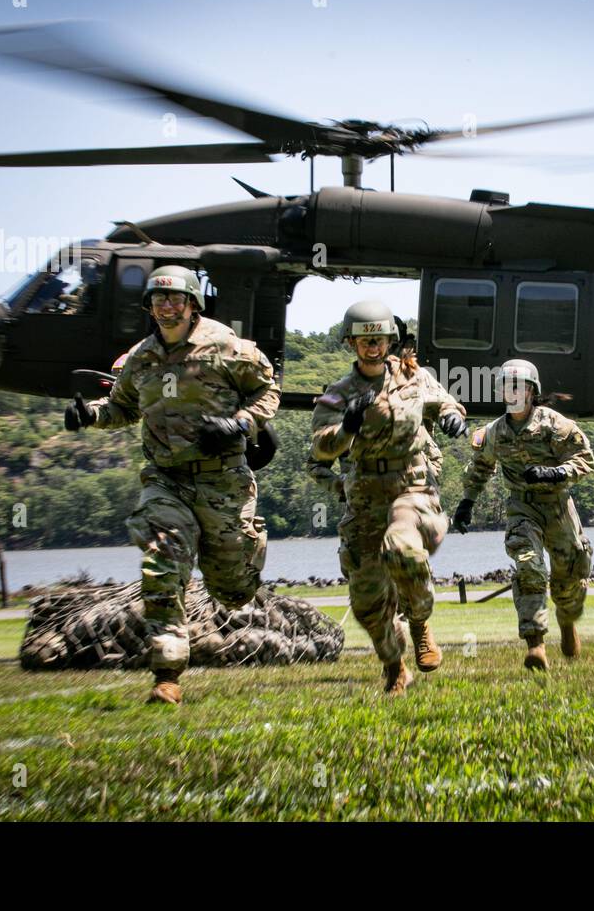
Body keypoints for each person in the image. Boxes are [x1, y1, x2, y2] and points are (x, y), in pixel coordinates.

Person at [63, 265, 280, 704]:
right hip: (166, 480)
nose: (166, 306)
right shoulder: (141, 359)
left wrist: (238, 423)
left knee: (233, 589)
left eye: (175, 299)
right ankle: (167, 673)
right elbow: (122, 407)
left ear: (192, 303)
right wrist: (91, 415)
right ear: (149, 307)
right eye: (158, 300)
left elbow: (268, 391)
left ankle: (248, 552)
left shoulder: (226, 345)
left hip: (223, 481)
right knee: (162, 564)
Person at [311, 300, 467, 695]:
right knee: (366, 601)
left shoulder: (415, 378)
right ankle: (395, 665)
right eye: (364, 340)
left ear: (390, 341)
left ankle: (419, 620)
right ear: (351, 343)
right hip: (364, 493)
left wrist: (453, 416)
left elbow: (446, 402)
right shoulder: (338, 394)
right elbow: (322, 450)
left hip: (411, 484)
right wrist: (347, 426)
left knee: (402, 547)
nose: (373, 347)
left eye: (379, 339)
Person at [453, 359, 594, 671]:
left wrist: (554, 472)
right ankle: (536, 645)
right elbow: (480, 467)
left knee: (569, 576)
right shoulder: (495, 432)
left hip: (557, 505)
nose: (513, 393)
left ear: (532, 391)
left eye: (520, 387)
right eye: (507, 387)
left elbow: (585, 459)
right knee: (528, 566)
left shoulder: (554, 425)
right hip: (522, 507)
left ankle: (567, 620)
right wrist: (467, 502)